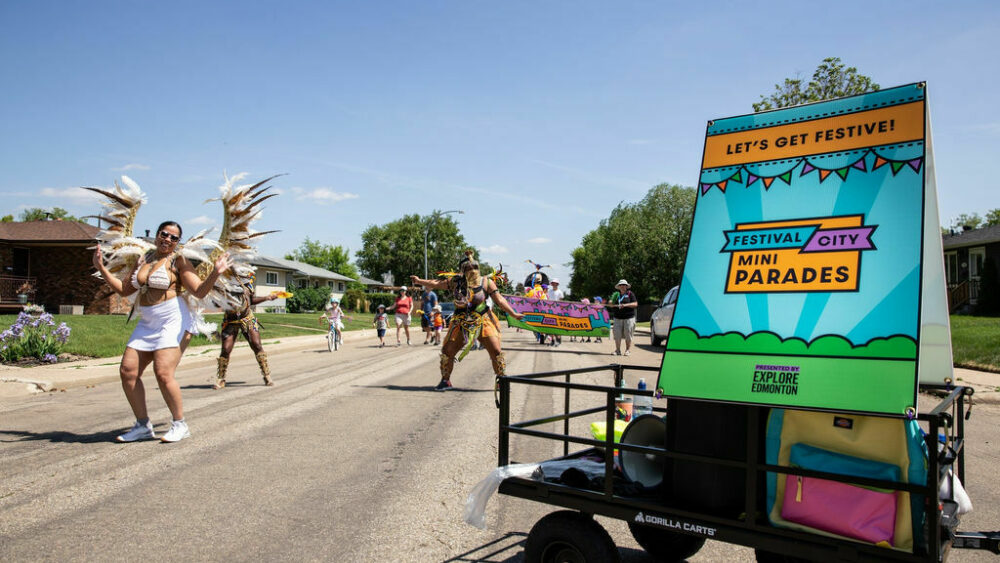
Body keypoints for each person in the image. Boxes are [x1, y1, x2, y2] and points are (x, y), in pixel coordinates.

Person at [93, 221, 232, 443]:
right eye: (164, 234)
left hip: (172, 319)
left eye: (174, 238)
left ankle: (180, 424)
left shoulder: (179, 260)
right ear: (157, 235)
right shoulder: (144, 258)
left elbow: (198, 291)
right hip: (148, 321)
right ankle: (142, 425)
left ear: (178, 242)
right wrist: (101, 268)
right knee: (128, 371)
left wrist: (215, 273)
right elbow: (124, 289)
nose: (168, 239)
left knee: (163, 372)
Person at [410, 250, 524, 391]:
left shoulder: (486, 282)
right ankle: (445, 381)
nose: (472, 271)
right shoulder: (456, 281)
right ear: (462, 270)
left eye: (475, 268)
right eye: (469, 268)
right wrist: (419, 281)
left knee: (496, 351)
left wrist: (513, 314)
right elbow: (437, 283)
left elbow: (499, 300)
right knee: (447, 351)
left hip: (483, 320)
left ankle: (502, 380)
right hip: (461, 322)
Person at [214, 271, 279, 389]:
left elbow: (251, 300)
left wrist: (267, 298)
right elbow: (216, 304)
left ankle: (267, 375)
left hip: (247, 318)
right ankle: (221, 379)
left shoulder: (247, 285)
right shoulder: (222, 285)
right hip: (230, 320)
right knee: (226, 349)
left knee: (256, 344)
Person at [607, 279, 638, 356]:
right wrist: (610, 303)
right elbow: (611, 303)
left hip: (629, 318)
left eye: (624, 285)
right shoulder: (616, 294)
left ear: (626, 286)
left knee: (628, 334)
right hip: (617, 318)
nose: (622, 286)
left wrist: (625, 305)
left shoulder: (630, 294)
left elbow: (635, 304)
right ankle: (618, 350)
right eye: (621, 285)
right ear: (619, 287)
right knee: (617, 335)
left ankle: (627, 350)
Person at [548, 278, 564, 347]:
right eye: (553, 283)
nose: (554, 284)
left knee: (557, 326)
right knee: (551, 326)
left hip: (557, 311)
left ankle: (558, 339)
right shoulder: (549, 291)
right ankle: (552, 340)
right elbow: (547, 300)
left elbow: (561, 302)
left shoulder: (560, 292)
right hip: (550, 311)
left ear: (557, 284)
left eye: (555, 283)